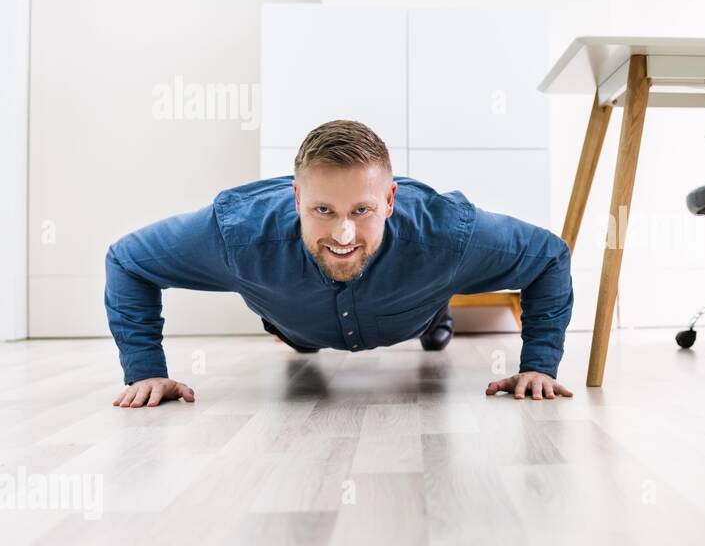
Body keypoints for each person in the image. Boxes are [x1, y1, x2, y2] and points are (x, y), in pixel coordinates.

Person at [105, 119, 574, 407]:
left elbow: (549, 256)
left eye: (362, 211)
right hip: (295, 323)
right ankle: (298, 335)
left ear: (391, 200)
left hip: (413, 311)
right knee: (298, 338)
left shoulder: (447, 233)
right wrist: (146, 370)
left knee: (430, 312)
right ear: (296, 199)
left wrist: (539, 365)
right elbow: (128, 261)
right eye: (323, 210)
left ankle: (437, 316)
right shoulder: (238, 234)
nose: (343, 233)